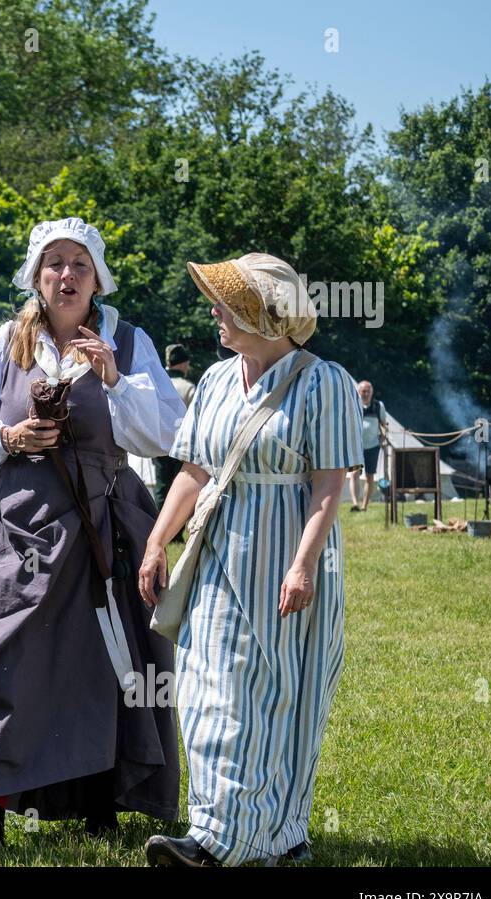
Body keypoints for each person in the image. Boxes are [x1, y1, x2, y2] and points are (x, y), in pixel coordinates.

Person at [0, 217, 185, 849]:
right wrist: (9, 437)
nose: (66, 274)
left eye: (79, 263)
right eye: (54, 263)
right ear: (36, 276)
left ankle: (101, 802)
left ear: (97, 277)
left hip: (106, 525)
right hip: (20, 528)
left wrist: (113, 382)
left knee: (106, 666)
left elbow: (168, 435)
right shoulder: (9, 343)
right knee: (1, 662)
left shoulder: (128, 342)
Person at [138, 253, 361, 867]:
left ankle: (278, 833)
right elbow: (193, 470)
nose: (214, 312)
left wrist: (304, 565)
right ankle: (217, 834)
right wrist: (158, 541)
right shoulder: (213, 380)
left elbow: (327, 483)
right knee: (213, 691)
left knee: (283, 695)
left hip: (285, 558)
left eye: (226, 303)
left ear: (266, 313)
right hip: (216, 558)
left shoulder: (325, 382)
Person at [153, 343, 196, 513]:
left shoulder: (157, 385)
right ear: (184, 364)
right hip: (182, 444)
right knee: (180, 485)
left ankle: (158, 523)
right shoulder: (188, 387)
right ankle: (176, 530)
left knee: (162, 485)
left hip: (159, 442)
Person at [348, 380, 387, 511]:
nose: (366, 393)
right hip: (355, 446)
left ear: (372, 392)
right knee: (354, 474)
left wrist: (383, 437)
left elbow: (383, 424)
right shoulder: (353, 405)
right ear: (358, 392)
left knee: (370, 476)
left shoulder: (378, 406)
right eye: (364, 391)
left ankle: (364, 505)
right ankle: (355, 503)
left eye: (368, 391)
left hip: (372, 446)